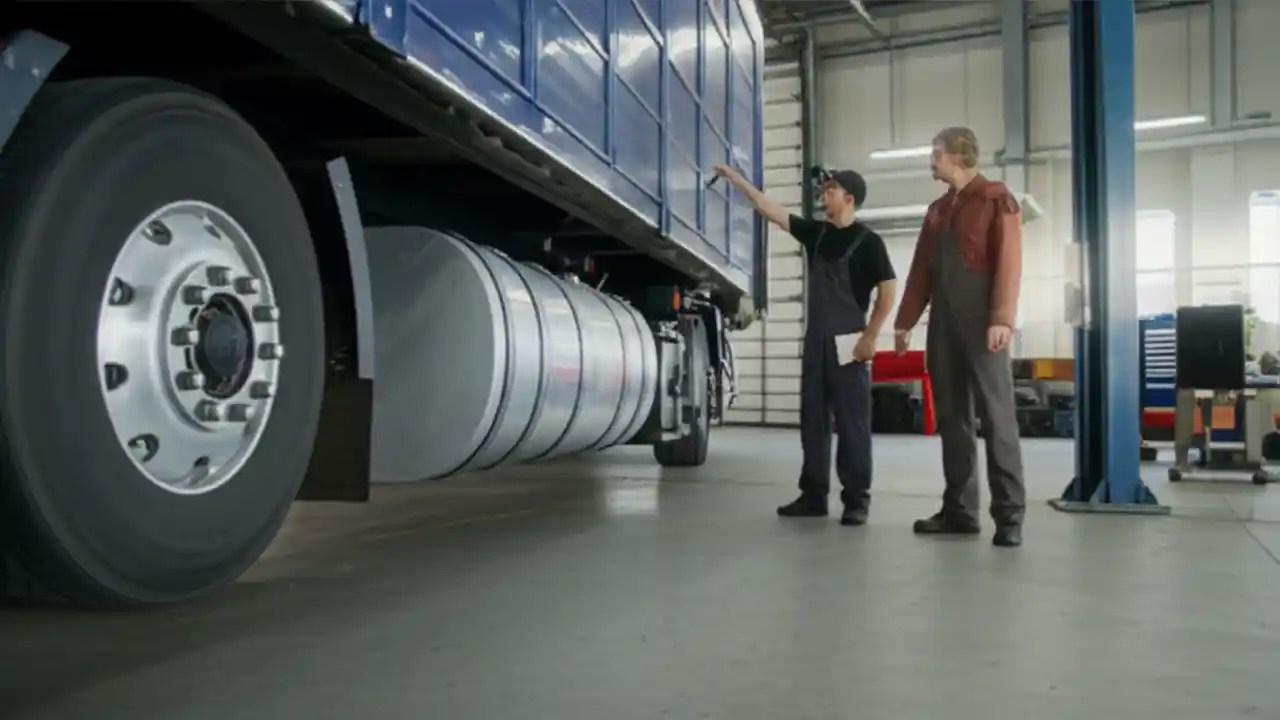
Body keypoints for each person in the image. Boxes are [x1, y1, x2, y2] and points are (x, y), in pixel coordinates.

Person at [713, 163, 896, 526]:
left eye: (831, 189)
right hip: (816, 342)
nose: (824, 194)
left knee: (853, 423)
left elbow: (887, 294)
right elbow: (772, 210)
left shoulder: (870, 243)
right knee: (813, 420)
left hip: (850, 343)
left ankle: (856, 500)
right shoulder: (818, 235)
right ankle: (813, 495)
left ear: (849, 197)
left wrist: (870, 337)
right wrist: (737, 181)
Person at [892, 126, 1027, 548]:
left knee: (997, 416)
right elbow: (921, 271)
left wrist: (1002, 317)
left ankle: (1009, 517)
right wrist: (905, 321)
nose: (931, 160)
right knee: (952, 418)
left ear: (958, 156)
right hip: (945, 324)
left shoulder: (995, 198)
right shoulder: (937, 210)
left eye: (936, 153)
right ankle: (960, 511)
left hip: (983, 321)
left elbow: (1009, 260)